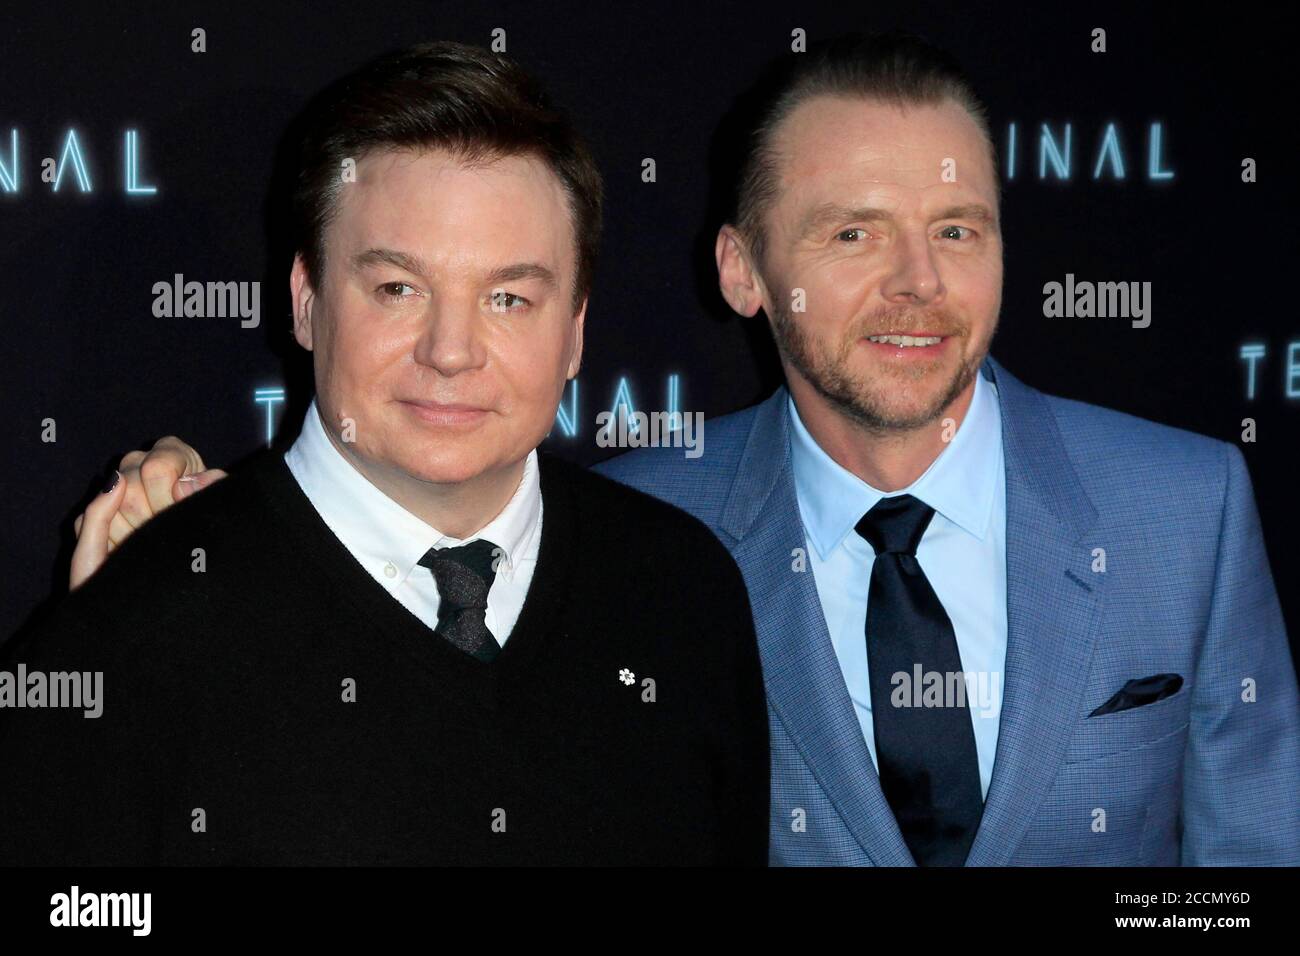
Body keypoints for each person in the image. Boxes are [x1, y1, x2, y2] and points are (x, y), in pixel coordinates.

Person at [61, 34, 1300, 866]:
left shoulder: (1185, 507)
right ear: (741, 270)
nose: (918, 284)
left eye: (958, 228)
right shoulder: (661, 533)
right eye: (853, 233)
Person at [0, 41, 769, 866]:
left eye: (508, 297)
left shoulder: (682, 590)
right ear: (305, 303)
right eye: (398, 288)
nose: (450, 351)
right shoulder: (132, 628)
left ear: (574, 333)